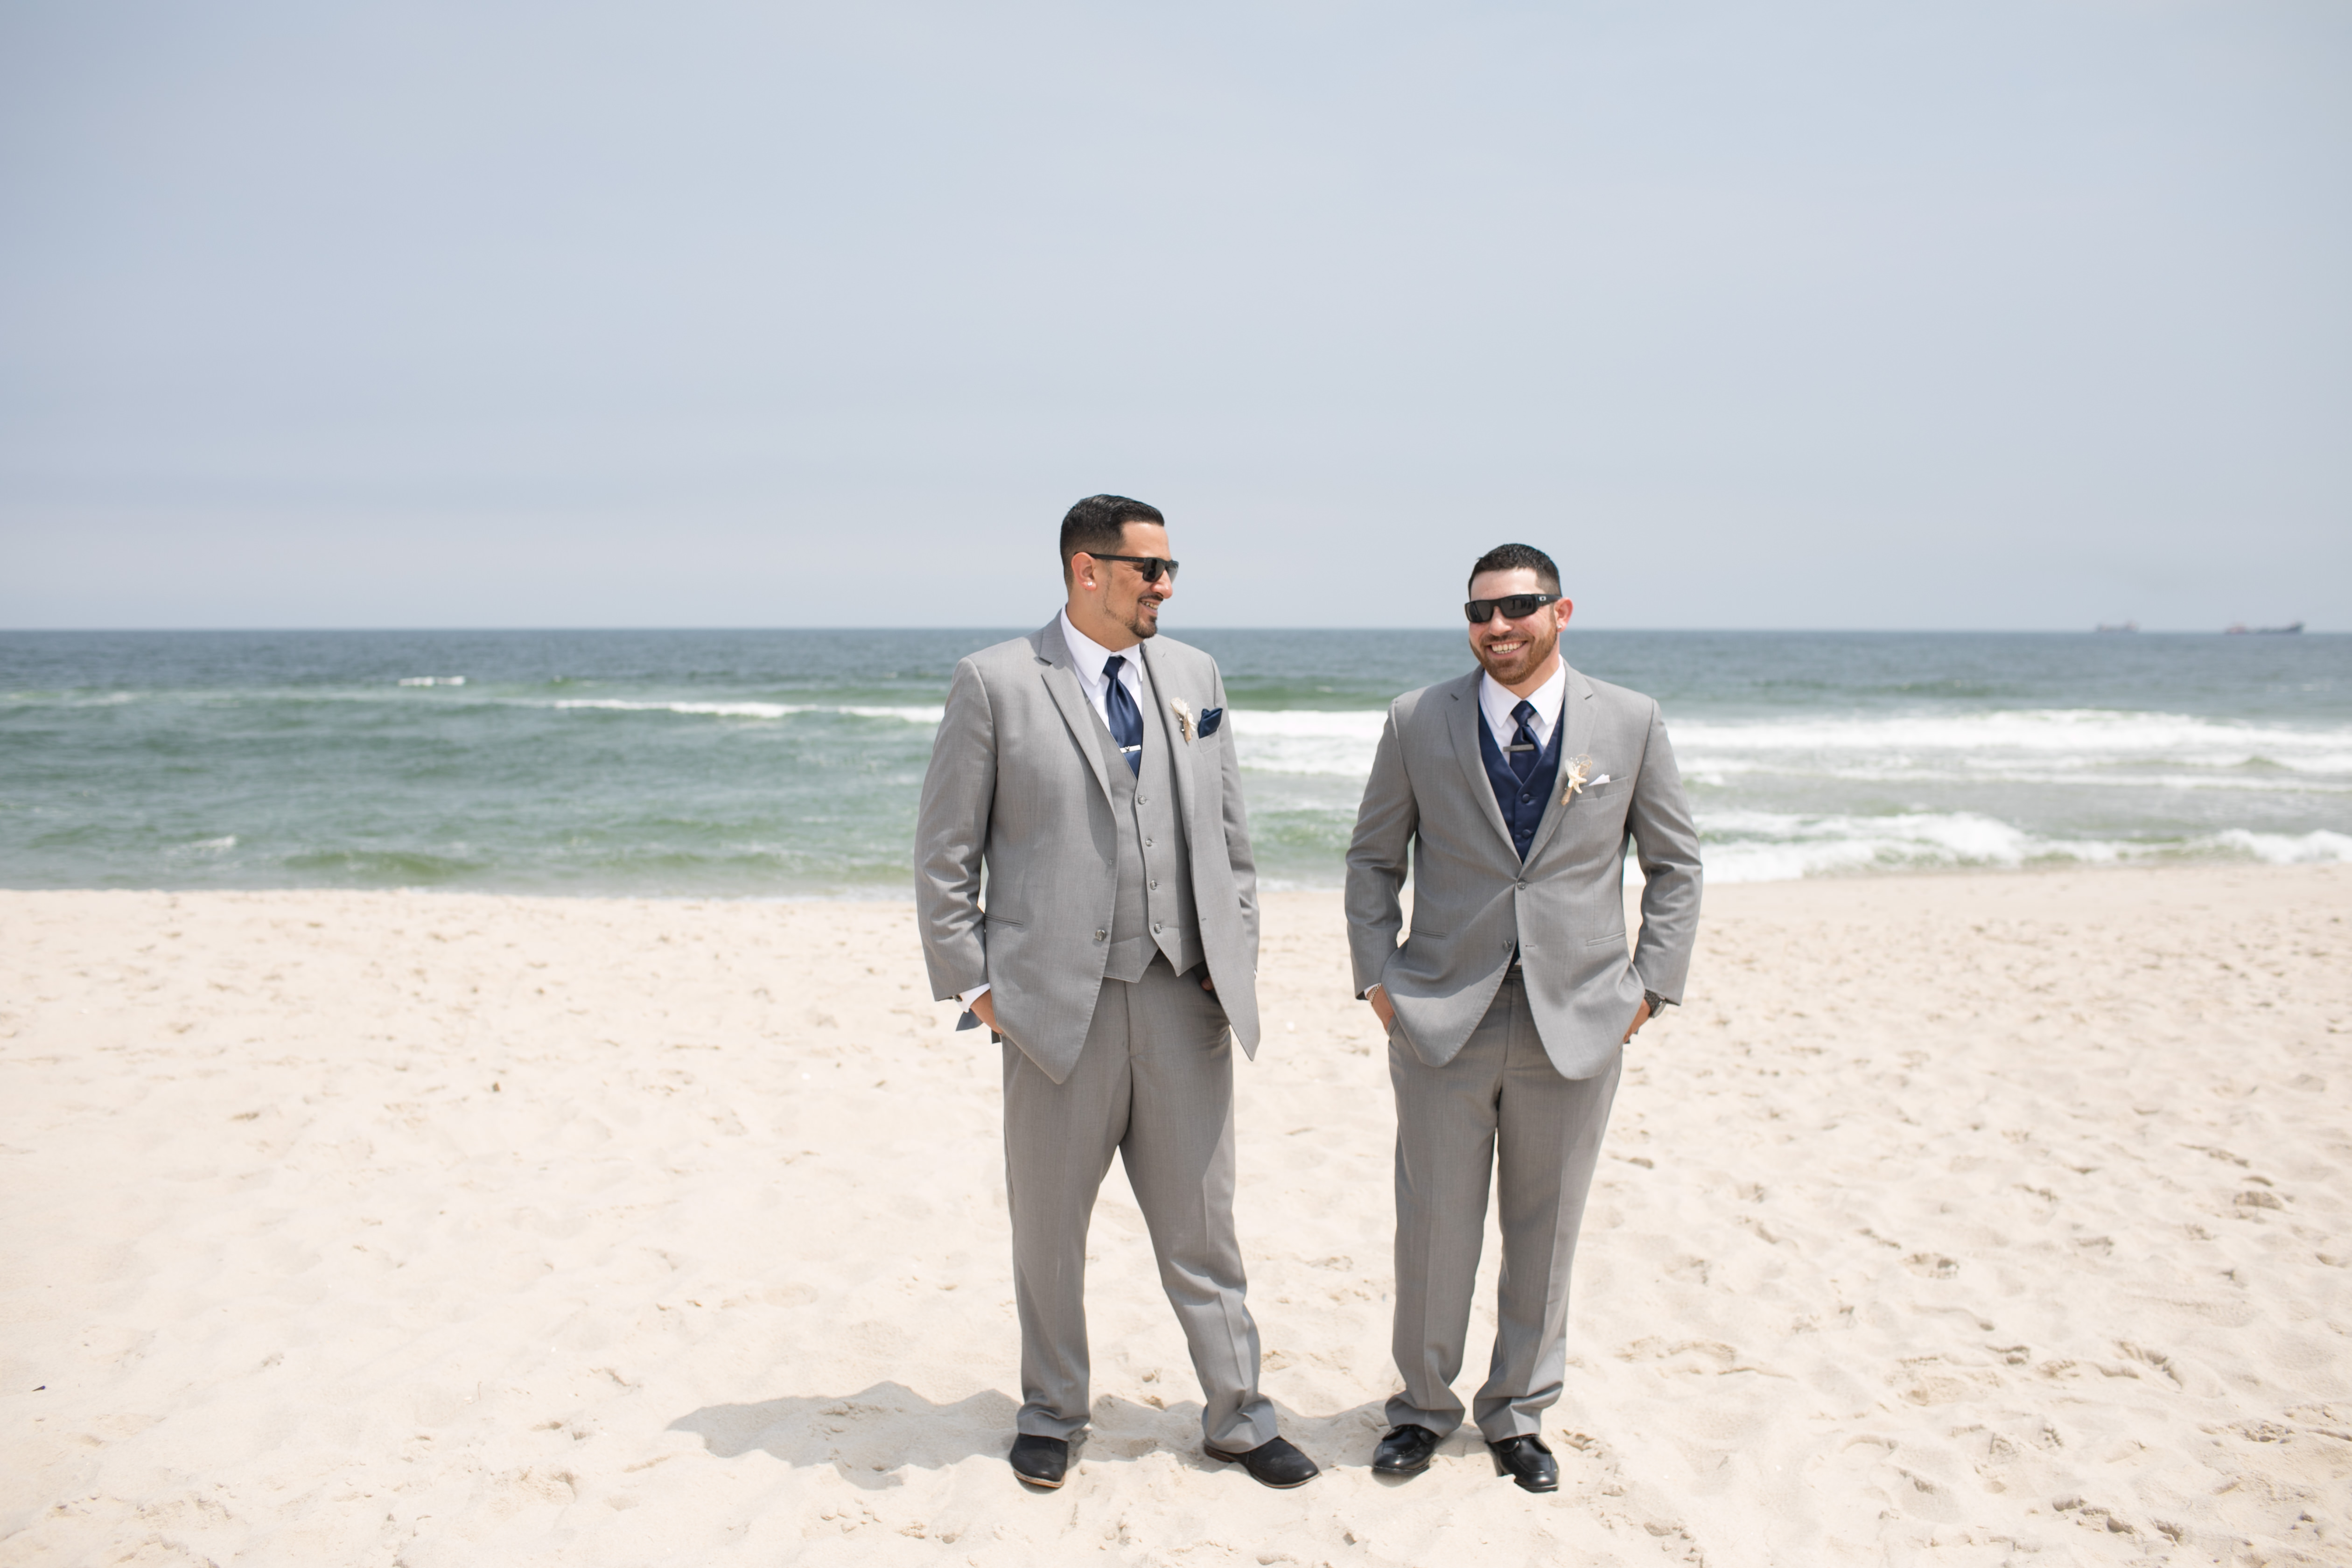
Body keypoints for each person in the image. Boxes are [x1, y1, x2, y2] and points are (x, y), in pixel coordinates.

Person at [914, 494, 1318, 1492]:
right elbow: (944, 855)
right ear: (1085, 570)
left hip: (1185, 998)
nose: (1167, 587)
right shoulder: (997, 683)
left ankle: (1239, 1414)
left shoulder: (1194, 677)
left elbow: (1231, 843)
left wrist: (1237, 957)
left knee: (1203, 1227)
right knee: (1050, 1227)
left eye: (1171, 568)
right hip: (1056, 1010)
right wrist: (979, 990)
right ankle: (1052, 1411)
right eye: (1151, 569)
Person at [1344, 542, 1702, 1493]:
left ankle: (1518, 1414)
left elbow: (1675, 867)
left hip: (1578, 1018)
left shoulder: (1628, 722)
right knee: (1433, 1223)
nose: (1498, 628)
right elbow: (1372, 860)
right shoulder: (1418, 720)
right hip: (1438, 1014)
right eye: (1480, 613)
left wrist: (1648, 989)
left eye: (1519, 608)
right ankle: (1421, 1409)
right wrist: (1378, 979)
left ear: (1562, 611)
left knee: (1547, 1227)